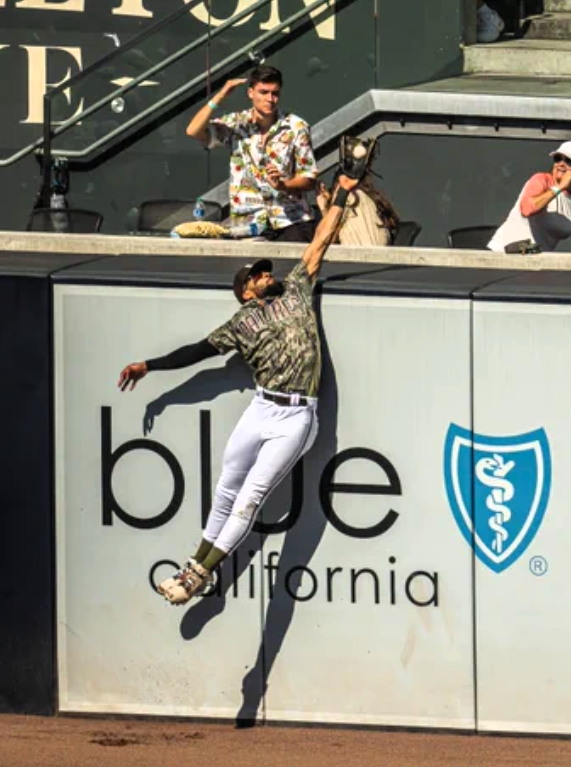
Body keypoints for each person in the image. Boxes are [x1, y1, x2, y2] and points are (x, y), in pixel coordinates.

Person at [116, 174, 360, 606]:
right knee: (227, 487)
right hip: (262, 408)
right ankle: (196, 563)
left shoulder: (298, 290)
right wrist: (149, 366)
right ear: (245, 291)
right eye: (258, 275)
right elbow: (196, 352)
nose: (267, 275)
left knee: (250, 498)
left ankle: (197, 575)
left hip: (296, 416)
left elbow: (321, 240)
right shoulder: (239, 325)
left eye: (266, 272)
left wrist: (341, 191)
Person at [186, 65, 318, 243]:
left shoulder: (296, 126)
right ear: (250, 93)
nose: (270, 99)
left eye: (275, 93)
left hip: (290, 220)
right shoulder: (237, 123)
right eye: (263, 92)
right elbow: (193, 130)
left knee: (293, 270)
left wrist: (283, 185)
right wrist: (220, 96)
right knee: (250, 270)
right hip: (248, 223)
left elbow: (309, 178)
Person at [487, 140, 571, 254]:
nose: (561, 164)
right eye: (558, 158)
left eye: (569, 161)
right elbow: (527, 209)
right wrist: (559, 188)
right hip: (506, 253)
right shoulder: (541, 180)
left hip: (536, 258)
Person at [315, 177, 399, 247]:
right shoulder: (372, 198)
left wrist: (323, 207)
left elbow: (329, 237)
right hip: (381, 260)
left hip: (359, 260)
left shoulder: (348, 197)